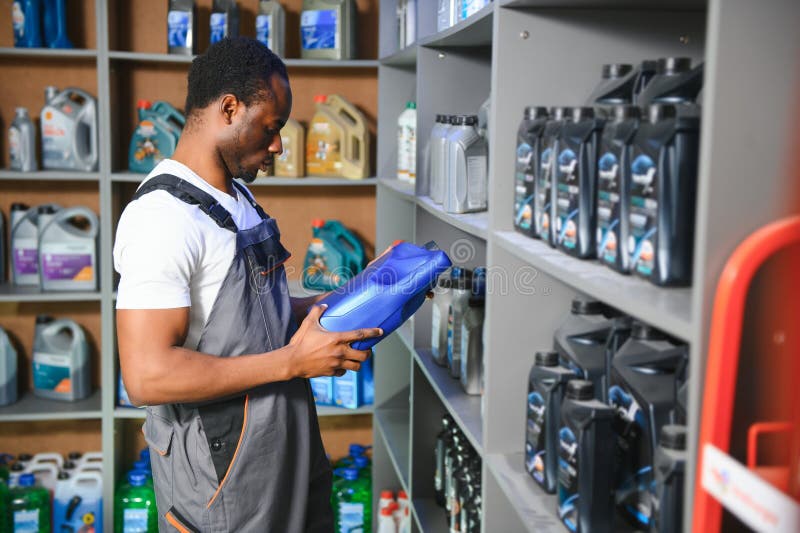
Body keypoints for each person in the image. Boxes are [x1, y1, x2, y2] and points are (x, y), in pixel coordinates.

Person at [114, 37, 381, 532]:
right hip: (222, 482)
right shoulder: (162, 219)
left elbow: (251, 316)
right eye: (272, 127)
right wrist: (294, 361)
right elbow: (147, 375)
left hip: (282, 453)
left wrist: (365, 291)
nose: (278, 144)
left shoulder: (235, 197)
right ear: (229, 109)